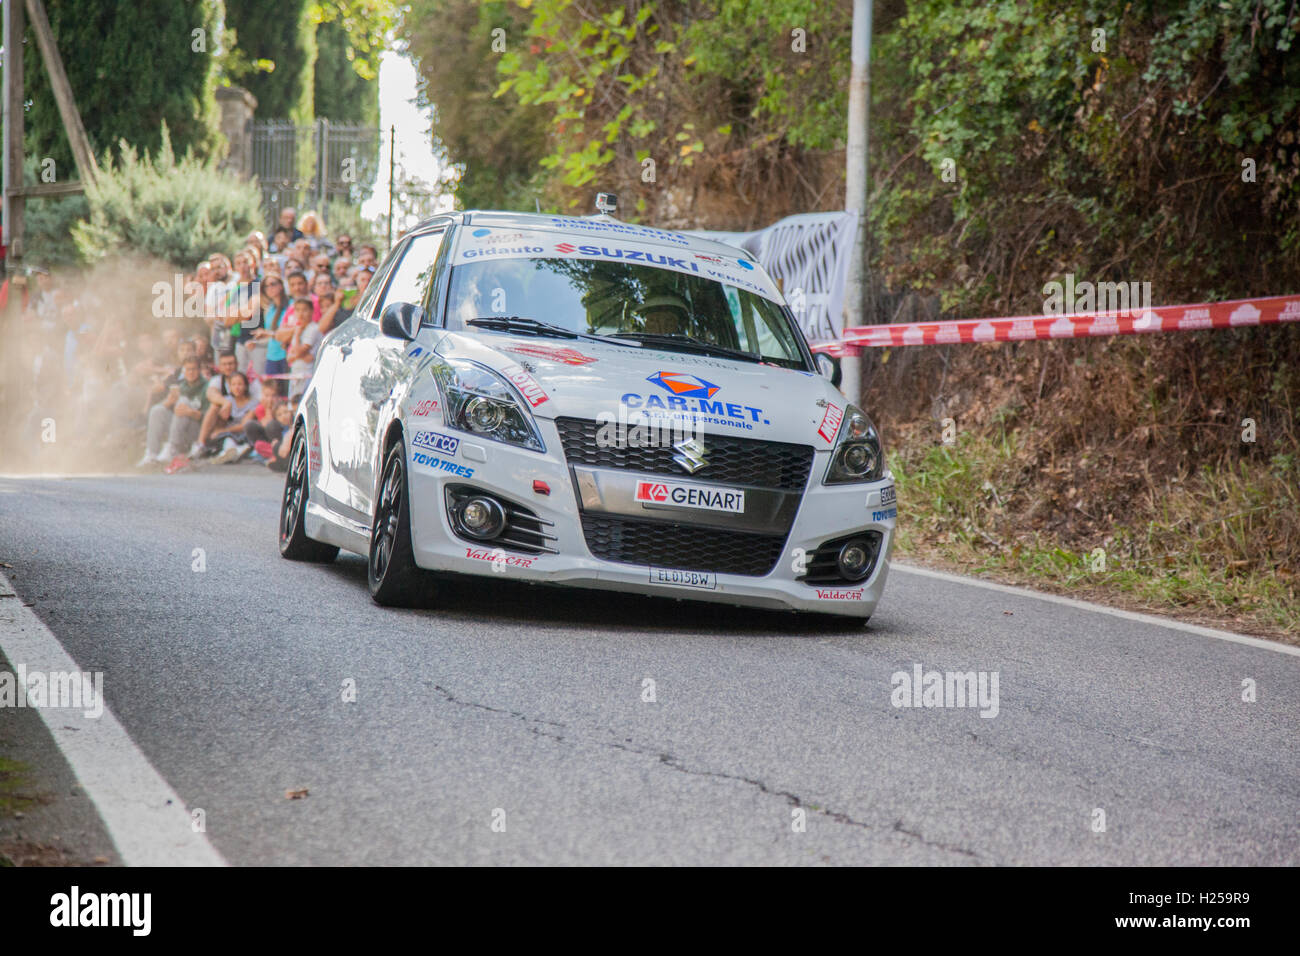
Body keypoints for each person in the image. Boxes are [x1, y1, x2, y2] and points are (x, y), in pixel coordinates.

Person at [140, 355, 208, 466]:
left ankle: (172, 447)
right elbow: (172, 411)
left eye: (194, 369)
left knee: (184, 402)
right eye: (188, 369)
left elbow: (209, 417)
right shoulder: (181, 386)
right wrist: (169, 402)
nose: (191, 372)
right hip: (180, 429)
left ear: (199, 370)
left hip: (197, 432)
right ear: (183, 371)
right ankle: (151, 453)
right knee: (157, 410)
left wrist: (190, 412)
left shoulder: (206, 386)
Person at [206, 371, 260, 464]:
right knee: (225, 439)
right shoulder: (227, 400)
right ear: (230, 387)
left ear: (245, 386)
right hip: (228, 434)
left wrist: (222, 430)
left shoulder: (253, 403)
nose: (237, 388)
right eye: (233, 385)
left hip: (242, 433)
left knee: (232, 437)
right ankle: (231, 452)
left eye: (240, 384)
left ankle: (230, 451)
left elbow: (243, 425)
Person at [251, 274, 295, 378]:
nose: (270, 288)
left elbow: (291, 331)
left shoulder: (291, 305)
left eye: (273, 284)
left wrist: (266, 333)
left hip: (286, 354)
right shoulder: (270, 309)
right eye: (266, 286)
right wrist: (256, 343)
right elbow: (270, 335)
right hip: (271, 356)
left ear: (281, 285)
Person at [286, 297, 322, 396]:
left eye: (304, 310)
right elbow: (289, 357)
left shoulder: (313, 329)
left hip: (307, 374)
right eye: (298, 310)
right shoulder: (299, 328)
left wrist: (297, 336)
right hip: (295, 373)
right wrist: (299, 356)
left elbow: (299, 352)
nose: (301, 314)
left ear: (311, 311)